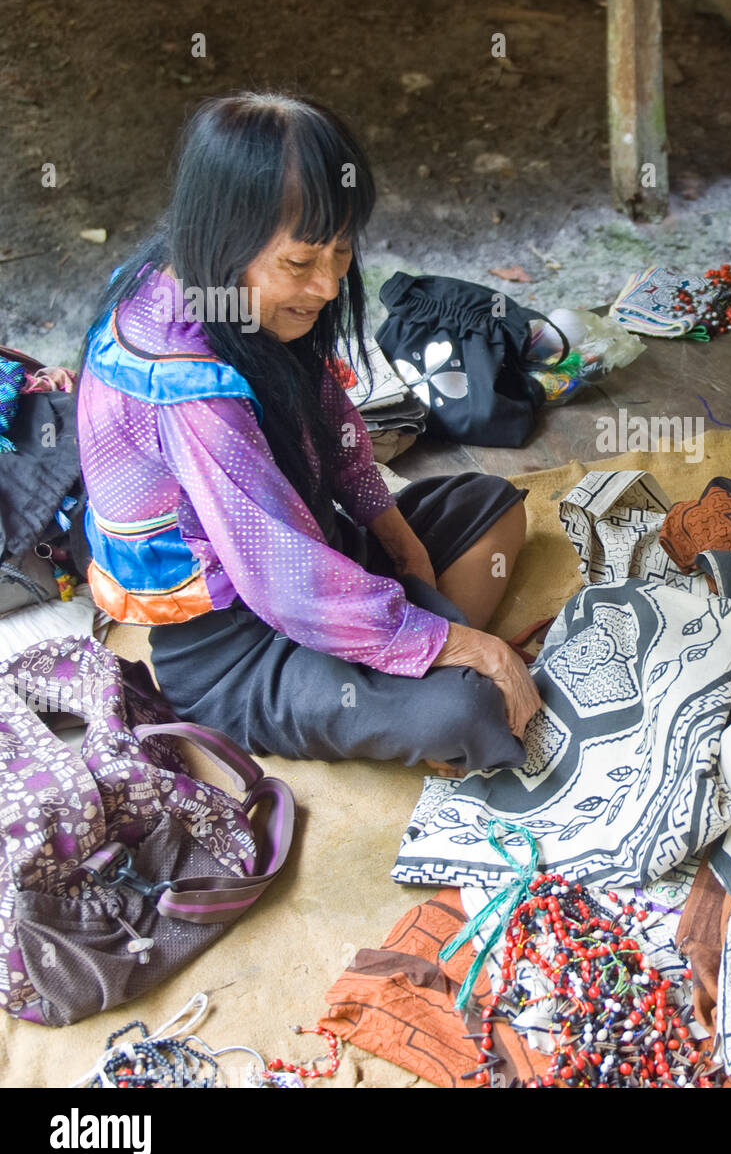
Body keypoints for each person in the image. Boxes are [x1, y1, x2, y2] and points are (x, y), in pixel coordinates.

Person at [75, 91, 541, 770]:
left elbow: (333, 424)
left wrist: (399, 542)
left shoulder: (240, 295)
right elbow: (285, 584)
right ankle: (441, 688)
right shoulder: (184, 385)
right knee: (465, 709)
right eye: (299, 263)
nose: (326, 286)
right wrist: (476, 648)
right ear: (225, 239)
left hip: (311, 546)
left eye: (342, 250)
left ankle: (419, 667)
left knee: (494, 508)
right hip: (234, 643)